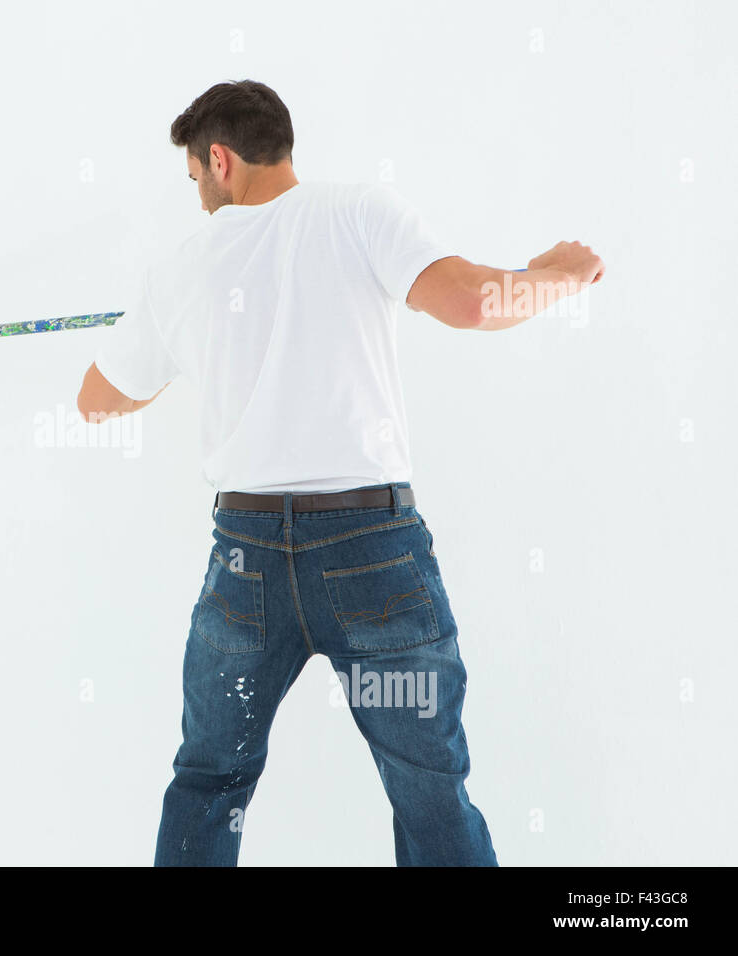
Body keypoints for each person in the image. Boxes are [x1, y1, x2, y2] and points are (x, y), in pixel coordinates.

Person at [76, 79, 605, 867]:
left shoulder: (180, 272)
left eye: (194, 181)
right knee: (428, 789)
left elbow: (95, 402)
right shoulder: (359, 213)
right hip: (373, 554)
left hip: (245, 564)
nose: (199, 199)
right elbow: (473, 303)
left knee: (210, 781)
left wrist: (158, 335)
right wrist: (559, 273)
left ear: (218, 159)